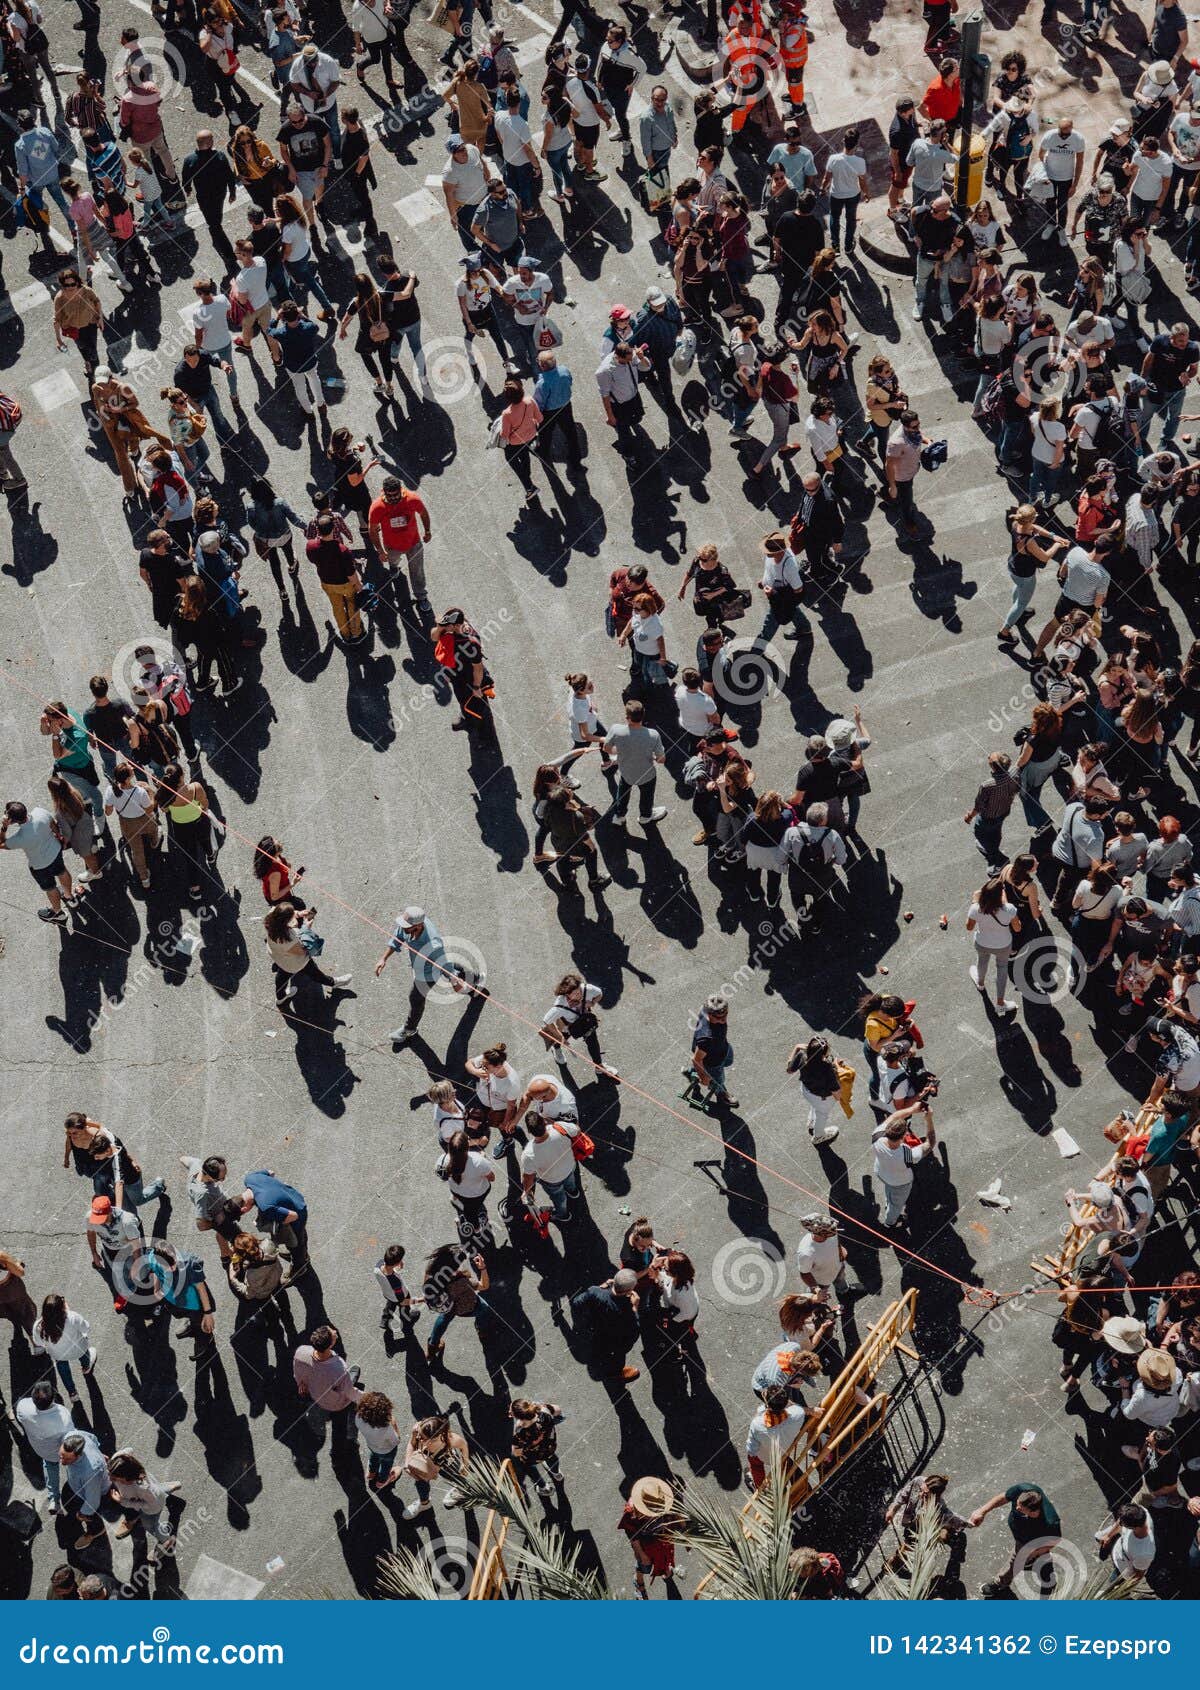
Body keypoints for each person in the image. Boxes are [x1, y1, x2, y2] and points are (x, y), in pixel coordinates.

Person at [375, 904, 486, 1045]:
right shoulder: (408, 928)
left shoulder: (433, 944)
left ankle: (410, 1029)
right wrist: (383, 958)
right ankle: (476, 977)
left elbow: (444, 966)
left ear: (418, 926)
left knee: (415, 998)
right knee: (451, 963)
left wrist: (454, 982)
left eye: (406, 926)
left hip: (428, 974)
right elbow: (398, 937)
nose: (402, 927)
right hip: (426, 961)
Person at [969, 1483, 1062, 1596]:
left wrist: (1034, 1552)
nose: (1016, 1508)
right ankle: (1048, 1579)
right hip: (1021, 1535)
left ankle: (1000, 1583)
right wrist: (982, 1511)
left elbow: (1055, 1540)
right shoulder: (1023, 1490)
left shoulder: (1050, 1522)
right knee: (1040, 1561)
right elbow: (1004, 1497)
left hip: (1031, 1542)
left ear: (1033, 1512)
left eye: (1021, 1509)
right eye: (1017, 1504)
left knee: (1016, 1561)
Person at [0, 798, 77, 924]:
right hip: (55, 851)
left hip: (40, 865)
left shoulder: (20, 837)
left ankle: (58, 913)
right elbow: (53, 825)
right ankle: (70, 897)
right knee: (62, 872)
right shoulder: (40, 812)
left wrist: (4, 827)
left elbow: (1, 843)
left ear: (12, 821)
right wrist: (59, 838)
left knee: (51, 888)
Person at [367, 476, 432, 614]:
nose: (394, 499)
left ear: (401, 490)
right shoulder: (377, 507)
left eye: (396, 495)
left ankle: (421, 596)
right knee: (393, 561)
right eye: (389, 496)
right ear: (383, 492)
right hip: (392, 546)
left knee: (417, 571)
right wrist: (380, 550)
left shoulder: (412, 499)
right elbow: (372, 530)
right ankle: (394, 567)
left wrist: (427, 531)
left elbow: (424, 513)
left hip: (413, 543)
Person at [107, 1451, 180, 1562]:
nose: (112, 1479)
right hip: (154, 1492)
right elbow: (128, 1450)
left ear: (128, 1478)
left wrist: (123, 1501)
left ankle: (166, 1541)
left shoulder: (142, 1489)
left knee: (151, 1526)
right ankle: (170, 1487)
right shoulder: (120, 1461)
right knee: (158, 1490)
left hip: (151, 1509)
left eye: (117, 1479)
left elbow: (152, 1503)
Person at [872, 1106, 937, 1229]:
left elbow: (894, 1116)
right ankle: (890, 1222)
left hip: (881, 1172)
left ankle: (888, 1202)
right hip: (899, 1183)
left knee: (889, 1191)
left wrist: (912, 1109)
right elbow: (930, 1142)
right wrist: (929, 1119)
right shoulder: (907, 1154)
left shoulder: (877, 1135)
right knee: (896, 1205)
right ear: (903, 1137)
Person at [293, 1325, 362, 1440]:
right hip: (337, 1404)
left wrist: (301, 1383)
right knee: (346, 1382)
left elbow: (297, 1372)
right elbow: (350, 1392)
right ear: (330, 1345)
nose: (335, 1331)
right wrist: (366, 1398)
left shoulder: (301, 1351)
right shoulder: (338, 1367)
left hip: (316, 1395)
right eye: (333, 1333)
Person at [571, 1268, 641, 1381]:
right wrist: (635, 1308)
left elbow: (576, 1303)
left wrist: (600, 1288)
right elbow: (633, 1334)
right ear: (628, 1291)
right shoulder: (627, 1310)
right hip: (611, 1342)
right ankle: (615, 1373)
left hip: (593, 1331)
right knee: (615, 1361)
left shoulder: (595, 1291)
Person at [16, 1380, 73, 1516]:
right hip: (60, 1451)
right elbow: (71, 1439)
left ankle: (54, 1499)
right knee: (71, 1466)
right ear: (53, 1398)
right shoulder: (64, 1416)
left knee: (50, 1466)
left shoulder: (23, 1408)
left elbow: (20, 1414)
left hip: (40, 1449)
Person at [60, 1429, 109, 1550]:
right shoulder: (71, 1435)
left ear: (79, 1455)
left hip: (92, 1493)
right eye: (61, 1455)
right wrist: (98, 1453)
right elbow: (93, 1438)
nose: (62, 1461)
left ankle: (96, 1530)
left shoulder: (90, 1472)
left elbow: (93, 1501)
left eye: (67, 1459)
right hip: (77, 1484)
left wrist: (83, 1514)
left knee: (91, 1516)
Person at [690, 993, 736, 1108]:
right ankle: (722, 1095)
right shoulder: (706, 1038)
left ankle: (692, 1073)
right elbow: (696, 1059)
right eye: (719, 1018)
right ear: (709, 1014)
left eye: (725, 1015)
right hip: (712, 1061)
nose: (723, 1019)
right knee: (718, 1081)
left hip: (722, 1047)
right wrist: (703, 1076)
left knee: (729, 1061)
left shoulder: (705, 1009)